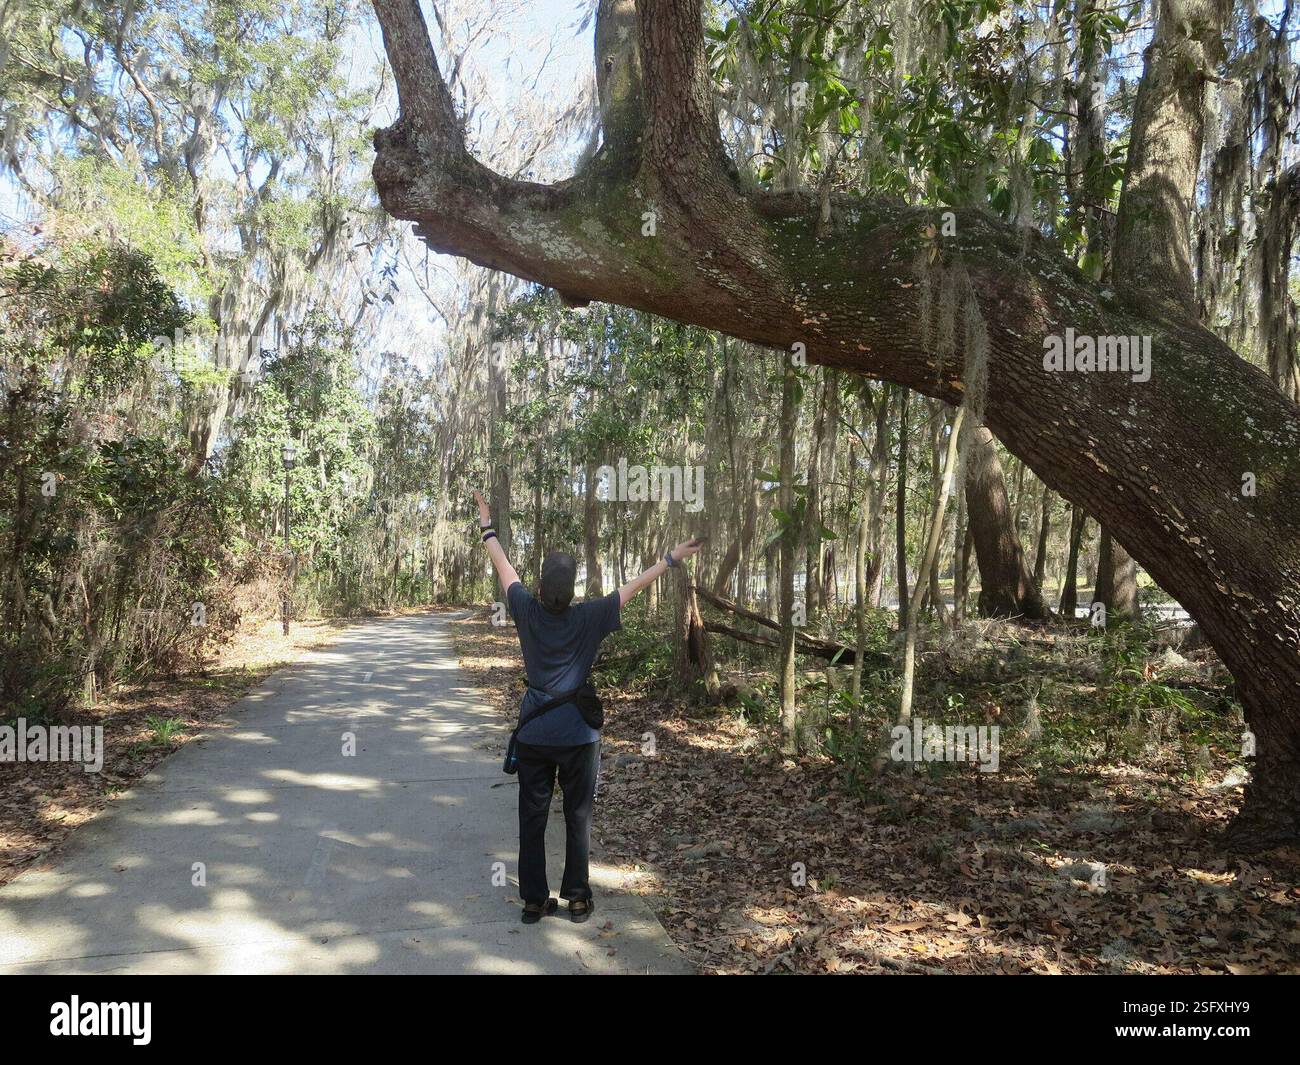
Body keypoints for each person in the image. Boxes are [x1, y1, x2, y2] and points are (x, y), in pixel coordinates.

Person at [473, 490, 703, 923]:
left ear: (539, 587)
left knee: (532, 819)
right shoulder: (591, 616)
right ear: (573, 589)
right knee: (577, 818)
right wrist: (670, 559)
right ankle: (577, 898)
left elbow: (503, 567)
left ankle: (534, 901)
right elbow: (633, 586)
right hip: (580, 737)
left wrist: (488, 526)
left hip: (536, 736)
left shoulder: (523, 608)